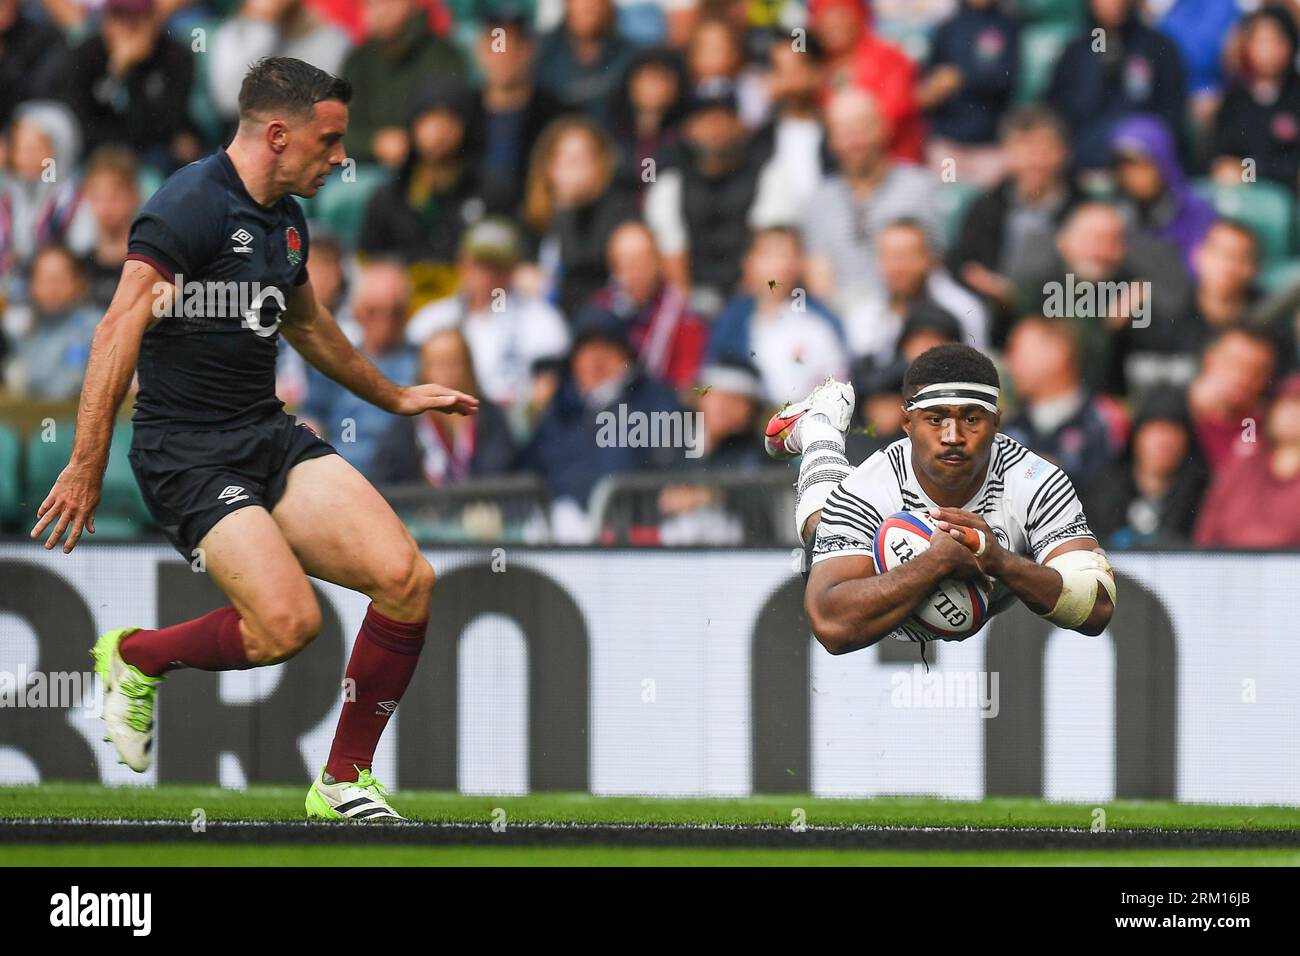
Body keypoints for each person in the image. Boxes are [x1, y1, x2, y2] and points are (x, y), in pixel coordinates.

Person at [31, 58, 479, 821]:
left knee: (407, 580)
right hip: (186, 454)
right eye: (330, 141)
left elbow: (308, 328)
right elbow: (117, 326)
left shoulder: (288, 219)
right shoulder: (189, 204)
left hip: (264, 435)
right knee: (288, 625)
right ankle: (138, 659)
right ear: (279, 134)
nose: (341, 158)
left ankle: (341, 781)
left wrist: (396, 394)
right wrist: (84, 462)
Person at [764, 347, 1116, 652]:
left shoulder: (1035, 482)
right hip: (883, 582)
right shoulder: (872, 485)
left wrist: (997, 559)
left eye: (971, 419)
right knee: (819, 526)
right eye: (935, 419)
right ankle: (819, 429)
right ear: (907, 422)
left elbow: (1097, 608)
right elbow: (830, 626)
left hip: (969, 582)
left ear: (996, 423)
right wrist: (935, 564)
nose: (952, 437)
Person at [405, 216, 571, 437]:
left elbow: (546, 391)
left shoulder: (542, 320)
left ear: (513, 269)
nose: (486, 275)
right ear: (461, 264)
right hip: (443, 428)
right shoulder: (430, 320)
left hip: (515, 432)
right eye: (479, 264)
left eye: (496, 266)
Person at [803, 87, 940, 317]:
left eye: (862, 129)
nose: (854, 142)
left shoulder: (919, 188)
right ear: (831, 141)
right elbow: (818, 276)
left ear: (884, 128)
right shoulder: (820, 200)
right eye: (844, 133)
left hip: (907, 316)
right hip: (841, 321)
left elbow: (933, 266)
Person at [299, 259, 418, 475]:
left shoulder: (424, 362)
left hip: (405, 480)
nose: (385, 321)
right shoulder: (333, 361)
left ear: (408, 313)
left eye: (395, 311)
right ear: (357, 312)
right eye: (374, 311)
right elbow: (310, 418)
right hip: (344, 474)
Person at [370, 327, 516, 487]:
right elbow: (384, 479)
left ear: (469, 366)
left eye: (454, 362)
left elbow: (502, 474)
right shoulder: (407, 427)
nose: (447, 372)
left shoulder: (491, 420)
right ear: (423, 371)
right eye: (438, 364)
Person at [340, 0, 468, 166]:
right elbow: (344, 124)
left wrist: (411, 142)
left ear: (410, 4)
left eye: (386, 3)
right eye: (370, 4)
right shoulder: (358, 60)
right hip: (366, 163)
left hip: (429, 164)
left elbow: (453, 120)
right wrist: (375, 142)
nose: (378, 12)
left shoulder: (441, 54)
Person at [587, 220, 707, 391]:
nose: (636, 270)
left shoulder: (684, 316)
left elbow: (686, 383)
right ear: (614, 268)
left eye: (642, 259)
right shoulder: (599, 310)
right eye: (626, 262)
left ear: (658, 261)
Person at [1089, 388, 1208, 549]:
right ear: (1136, 436)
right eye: (1154, 430)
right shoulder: (1104, 493)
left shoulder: (1204, 495)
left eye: (1174, 431)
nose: (1164, 442)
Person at [1195, 371, 1300, 548]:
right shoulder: (1243, 459)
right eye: (1285, 405)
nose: (1292, 414)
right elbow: (1211, 519)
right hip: (1229, 566)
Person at [1211, 6, 1300, 193]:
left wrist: (1250, 172)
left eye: (1275, 40)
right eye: (1260, 41)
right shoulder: (1235, 98)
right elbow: (1222, 162)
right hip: (1243, 200)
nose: (1268, 50)